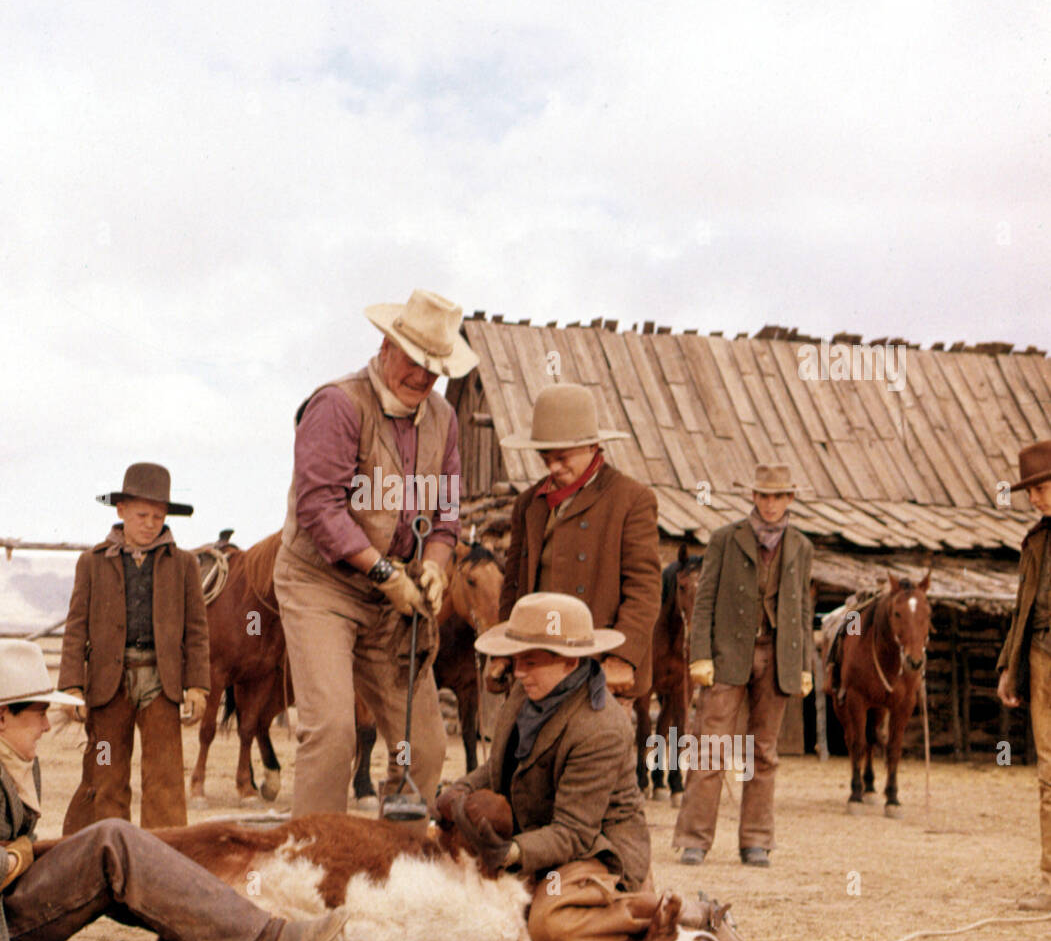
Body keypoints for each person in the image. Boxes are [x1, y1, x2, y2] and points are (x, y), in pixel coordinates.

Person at [0, 640, 346, 941]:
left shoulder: (3, 755)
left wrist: (17, 857)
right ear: (0, 717)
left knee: (117, 848)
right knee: (112, 842)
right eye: (39, 712)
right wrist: (8, 863)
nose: (45, 724)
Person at [437, 593, 745, 941]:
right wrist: (454, 793)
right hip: (542, 834)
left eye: (530, 661)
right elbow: (499, 766)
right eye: (517, 659)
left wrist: (511, 852)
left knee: (548, 926)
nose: (518, 672)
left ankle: (680, 915)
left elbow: (573, 833)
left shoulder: (599, 728)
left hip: (597, 850)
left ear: (568, 662)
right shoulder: (527, 691)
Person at [274, 289, 474, 818]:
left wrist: (434, 564)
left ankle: (394, 872)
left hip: (395, 597)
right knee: (333, 734)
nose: (423, 379)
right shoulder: (337, 405)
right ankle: (311, 870)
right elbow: (320, 509)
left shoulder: (444, 420)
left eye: (435, 371)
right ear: (387, 345)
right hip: (323, 586)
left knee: (426, 749)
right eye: (413, 363)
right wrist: (386, 572)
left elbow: (448, 512)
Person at [673, 463, 814, 867]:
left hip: (778, 656)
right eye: (764, 496)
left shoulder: (802, 547)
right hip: (728, 655)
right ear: (753, 497)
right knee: (711, 747)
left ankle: (755, 841)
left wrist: (804, 662)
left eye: (779, 496)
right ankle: (694, 840)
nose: (770, 504)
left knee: (763, 752)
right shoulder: (724, 539)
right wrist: (699, 654)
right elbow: (703, 601)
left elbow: (802, 609)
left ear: (790, 499)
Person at [493, 383, 661, 722]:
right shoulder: (529, 504)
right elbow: (513, 587)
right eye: (545, 458)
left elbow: (643, 589)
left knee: (594, 766)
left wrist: (622, 658)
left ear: (592, 446)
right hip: (537, 664)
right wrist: (503, 652)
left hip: (598, 666)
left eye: (562, 458)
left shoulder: (631, 499)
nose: (553, 468)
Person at [58, 462, 209, 833]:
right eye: (141, 514)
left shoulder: (184, 565)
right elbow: (76, 628)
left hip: (162, 682)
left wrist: (199, 686)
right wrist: (71, 686)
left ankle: (164, 857)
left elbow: (197, 632)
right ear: (121, 510)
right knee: (106, 773)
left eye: (158, 516)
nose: (150, 523)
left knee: (165, 778)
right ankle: (106, 854)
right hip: (109, 685)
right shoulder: (92, 563)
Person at [996, 439, 1051, 912]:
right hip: (1040, 658)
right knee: (1049, 775)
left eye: (1038, 489)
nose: (1032, 499)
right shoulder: (1034, 540)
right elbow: (1022, 611)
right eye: (1030, 491)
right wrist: (1008, 670)